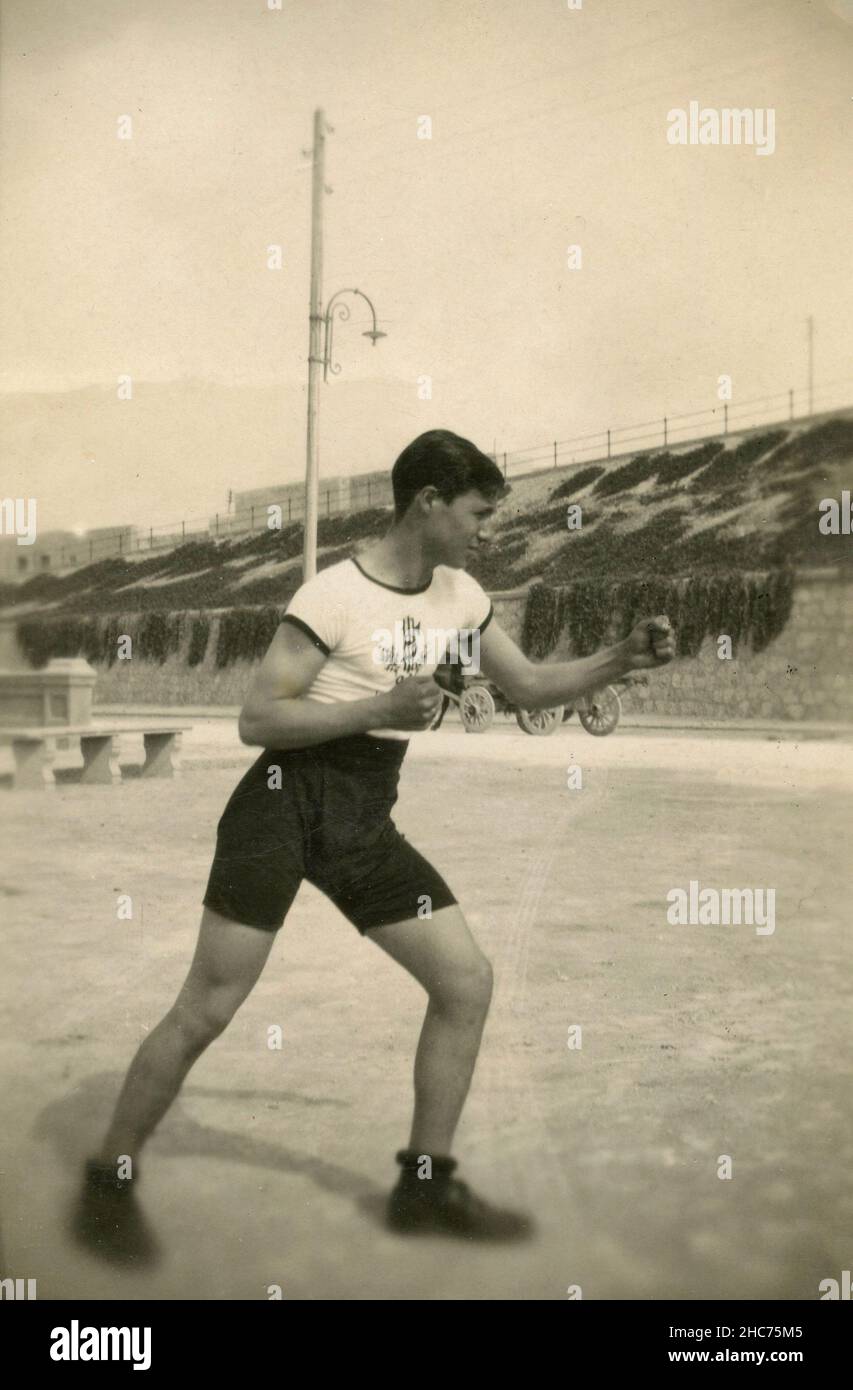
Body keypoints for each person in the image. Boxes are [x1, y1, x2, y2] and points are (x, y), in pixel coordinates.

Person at [73, 428, 675, 1261]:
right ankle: (107, 1181)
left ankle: (421, 1189)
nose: (485, 529)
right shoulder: (333, 596)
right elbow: (257, 720)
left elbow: (529, 684)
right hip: (279, 809)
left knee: (464, 980)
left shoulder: (460, 596)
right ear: (427, 501)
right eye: (476, 512)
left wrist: (618, 658)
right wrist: (375, 711)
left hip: (360, 819)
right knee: (207, 1008)